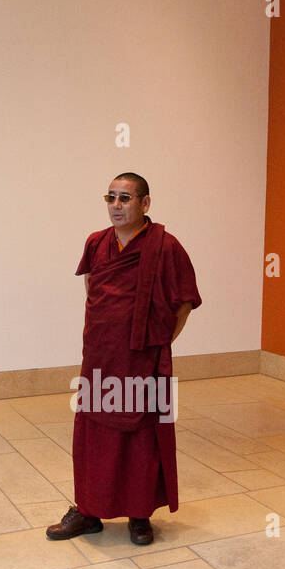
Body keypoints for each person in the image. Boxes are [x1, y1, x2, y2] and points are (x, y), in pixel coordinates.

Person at [46, 173, 201, 545]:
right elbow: (93, 292)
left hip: (142, 360)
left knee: (141, 435)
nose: (116, 205)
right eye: (111, 198)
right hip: (101, 357)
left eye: (125, 199)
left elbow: (184, 302)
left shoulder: (166, 247)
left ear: (145, 204)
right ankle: (87, 510)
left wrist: (158, 343)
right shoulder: (97, 243)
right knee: (94, 432)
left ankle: (139, 514)